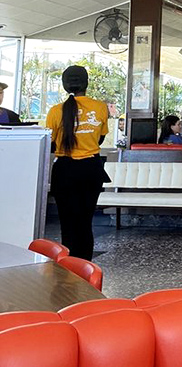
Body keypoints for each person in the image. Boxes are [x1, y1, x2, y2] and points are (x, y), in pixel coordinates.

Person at [45, 66, 110, 261]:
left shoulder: (56, 111)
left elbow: (51, 143)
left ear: (65, 86)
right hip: (91, 170)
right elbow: (100, 139)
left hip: (65, 171)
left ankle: (68, 267)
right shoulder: (100, 107)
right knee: (85, 222)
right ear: (86, 83)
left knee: (68, 222)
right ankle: (85, 268)